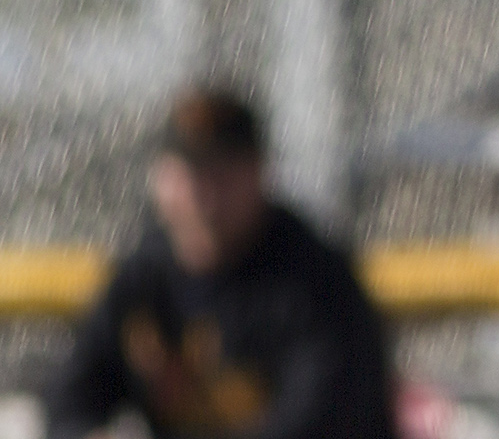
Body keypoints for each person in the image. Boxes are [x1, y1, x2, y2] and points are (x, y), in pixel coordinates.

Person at [43, 85, 399, 439]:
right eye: (191, 174)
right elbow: (70, 398)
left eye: (223, 173)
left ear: (260, 174)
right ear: (159, 179)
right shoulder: (142, 277)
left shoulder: (315, 280)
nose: (205, 196)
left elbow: (328, 419)